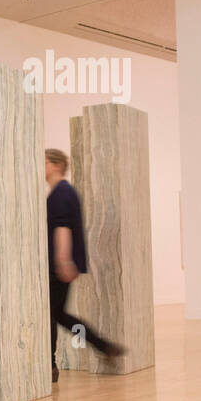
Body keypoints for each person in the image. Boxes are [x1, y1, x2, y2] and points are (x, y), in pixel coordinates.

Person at [45, 148, 124, 382]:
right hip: (62, 263)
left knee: (51, 314)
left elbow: (62, 228)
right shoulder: (64, 192)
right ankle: (103, 346)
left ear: (57, 165)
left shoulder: (60, 193)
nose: (42, 167)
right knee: (59, 314)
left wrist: (63, 260)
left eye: (45, 162)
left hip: (58, 264)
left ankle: (49, 366)